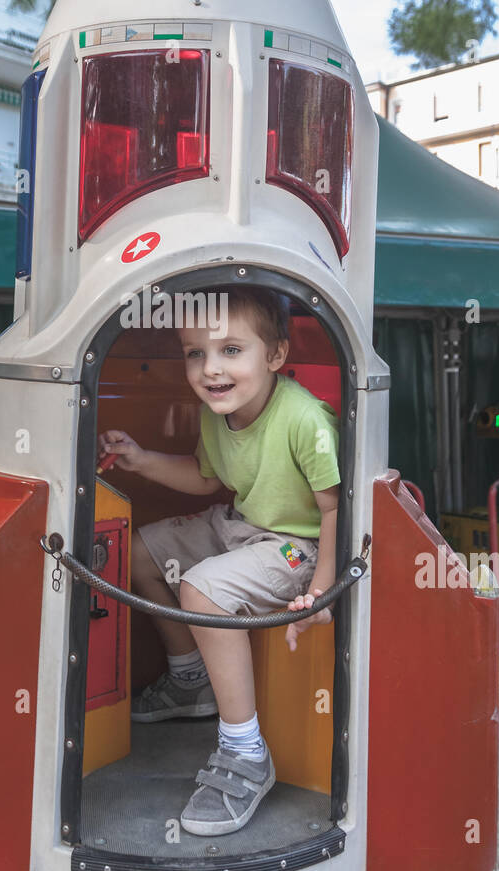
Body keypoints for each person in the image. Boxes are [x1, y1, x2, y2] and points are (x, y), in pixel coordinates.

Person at [96, 286, 341, 837]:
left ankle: (245, 751)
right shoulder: (217, 412)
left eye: (232, 350)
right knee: (136, 553)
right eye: (195, 353)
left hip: (295, 547)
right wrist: (141, 460)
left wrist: (322, 593)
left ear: (276, 354)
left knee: (202, 589)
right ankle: (190, 682)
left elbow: (335, 510)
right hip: (237, 525)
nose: (211, 369)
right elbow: (207, 478)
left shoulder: (305, 420)